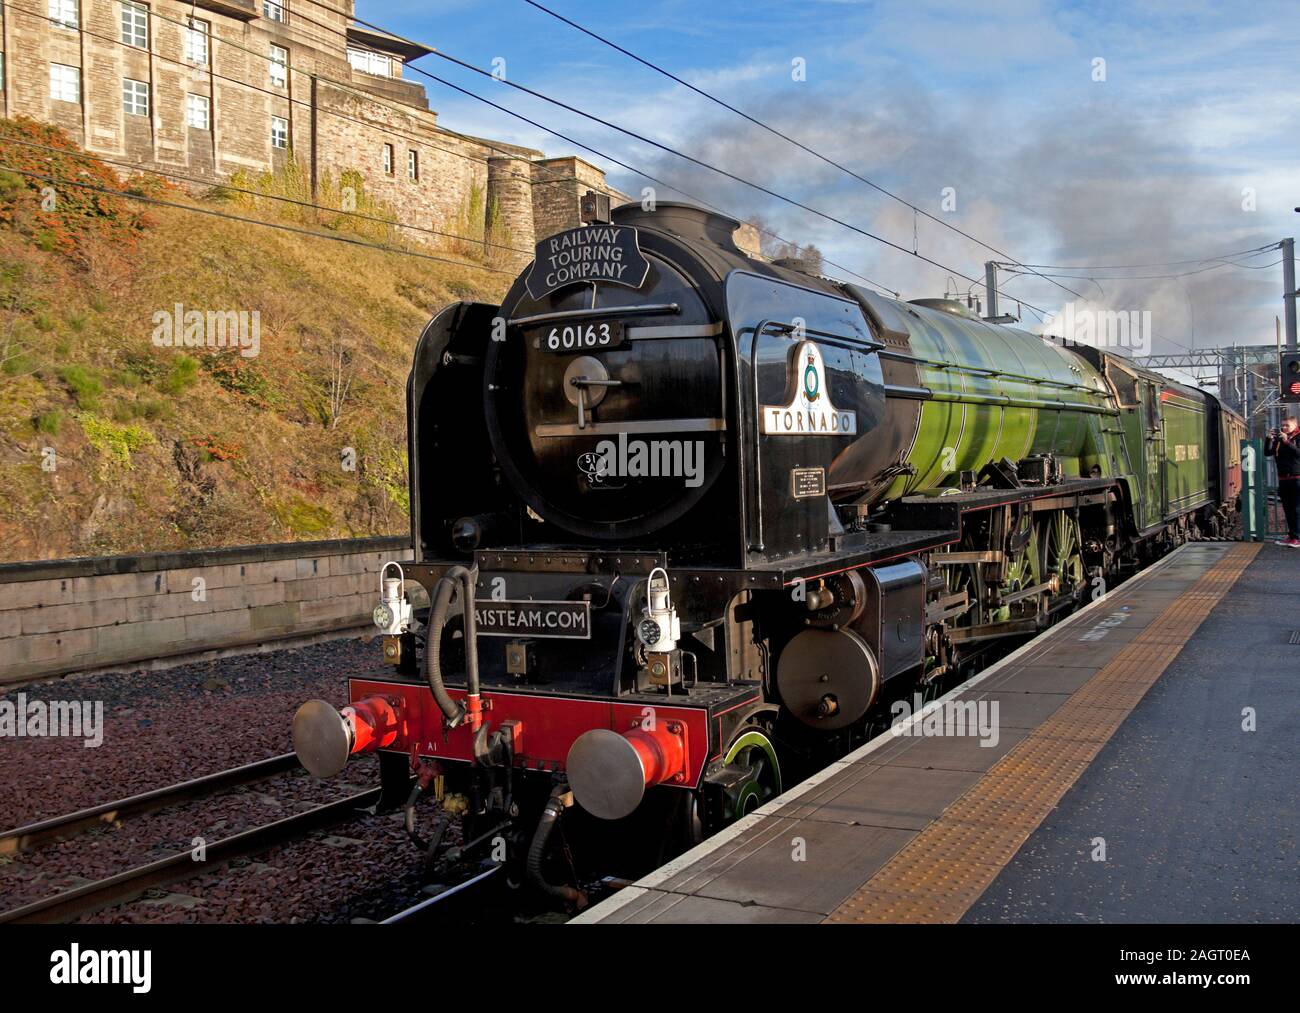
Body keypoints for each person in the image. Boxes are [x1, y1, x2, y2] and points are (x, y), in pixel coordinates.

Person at [1265, 416, 1300, 547]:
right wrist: (1268, 439)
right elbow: (1267, 453)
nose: (1284, 428)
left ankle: (1297, 537)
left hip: (1296, 478)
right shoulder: (1280, 439)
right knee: (1288, 509)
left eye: (1287, 425)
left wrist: (1287, 442)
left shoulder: (1297, 437)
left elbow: (1298, 454)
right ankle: (1291, 536)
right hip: (1283, 479)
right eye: (1283, 425)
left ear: (1295, 425)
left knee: (1296, 509)